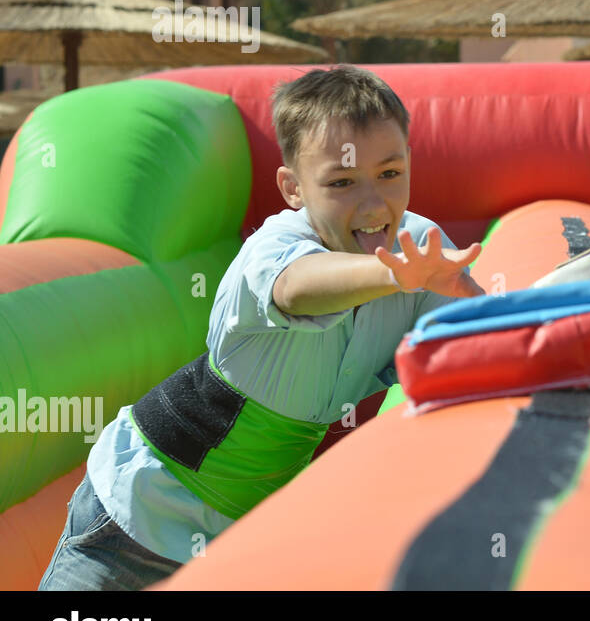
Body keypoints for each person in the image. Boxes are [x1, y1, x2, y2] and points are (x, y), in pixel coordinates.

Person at [39, 65, 484, 590]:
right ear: (293, 188)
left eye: (389, 173)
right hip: (139, 510)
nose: (372, 203)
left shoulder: (418, 248)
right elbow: (297, 287)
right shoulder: (276, 249)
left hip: (239, 535)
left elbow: (476, 335)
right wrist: (391, 274)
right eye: (341, 182)